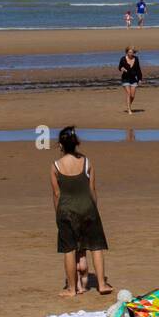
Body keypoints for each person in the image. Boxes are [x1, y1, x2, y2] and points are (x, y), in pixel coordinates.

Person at [49, 126, 112, 298]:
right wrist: (94, 208)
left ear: (61, 145)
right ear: (77, 143)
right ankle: (101, 283)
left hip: (66, 210)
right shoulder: (86, 162)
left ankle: (71, 288)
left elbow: (56, 194)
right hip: (88, 208)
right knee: (96, 246)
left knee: (69, 249)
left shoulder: (55, 166)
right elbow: (92, 189)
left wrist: (57, 213)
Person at [118, 46, 142, 114]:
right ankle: (129, 109)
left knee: (132, 96)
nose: (130, 53)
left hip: (133, 79)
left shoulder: (136, 59)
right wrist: (122, 69)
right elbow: (119, 67)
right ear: (127, 52)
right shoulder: (123, 59)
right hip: (125, 78)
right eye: (129, 52)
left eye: (132, 52)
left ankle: (129, 106)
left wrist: (140, 79)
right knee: (128, 93)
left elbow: (138, 69)